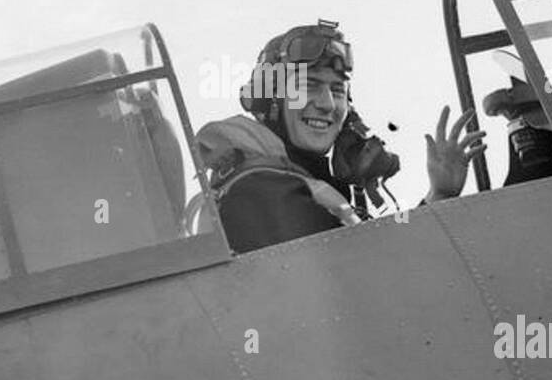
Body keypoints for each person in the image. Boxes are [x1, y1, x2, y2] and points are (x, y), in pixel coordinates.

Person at [193, 20, 486, 253]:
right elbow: (369, 288)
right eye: (308, 85)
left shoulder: (297, 184)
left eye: (337, 90)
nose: (328, 104)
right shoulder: (261, 192)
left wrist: (439, 195)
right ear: (271, 99)